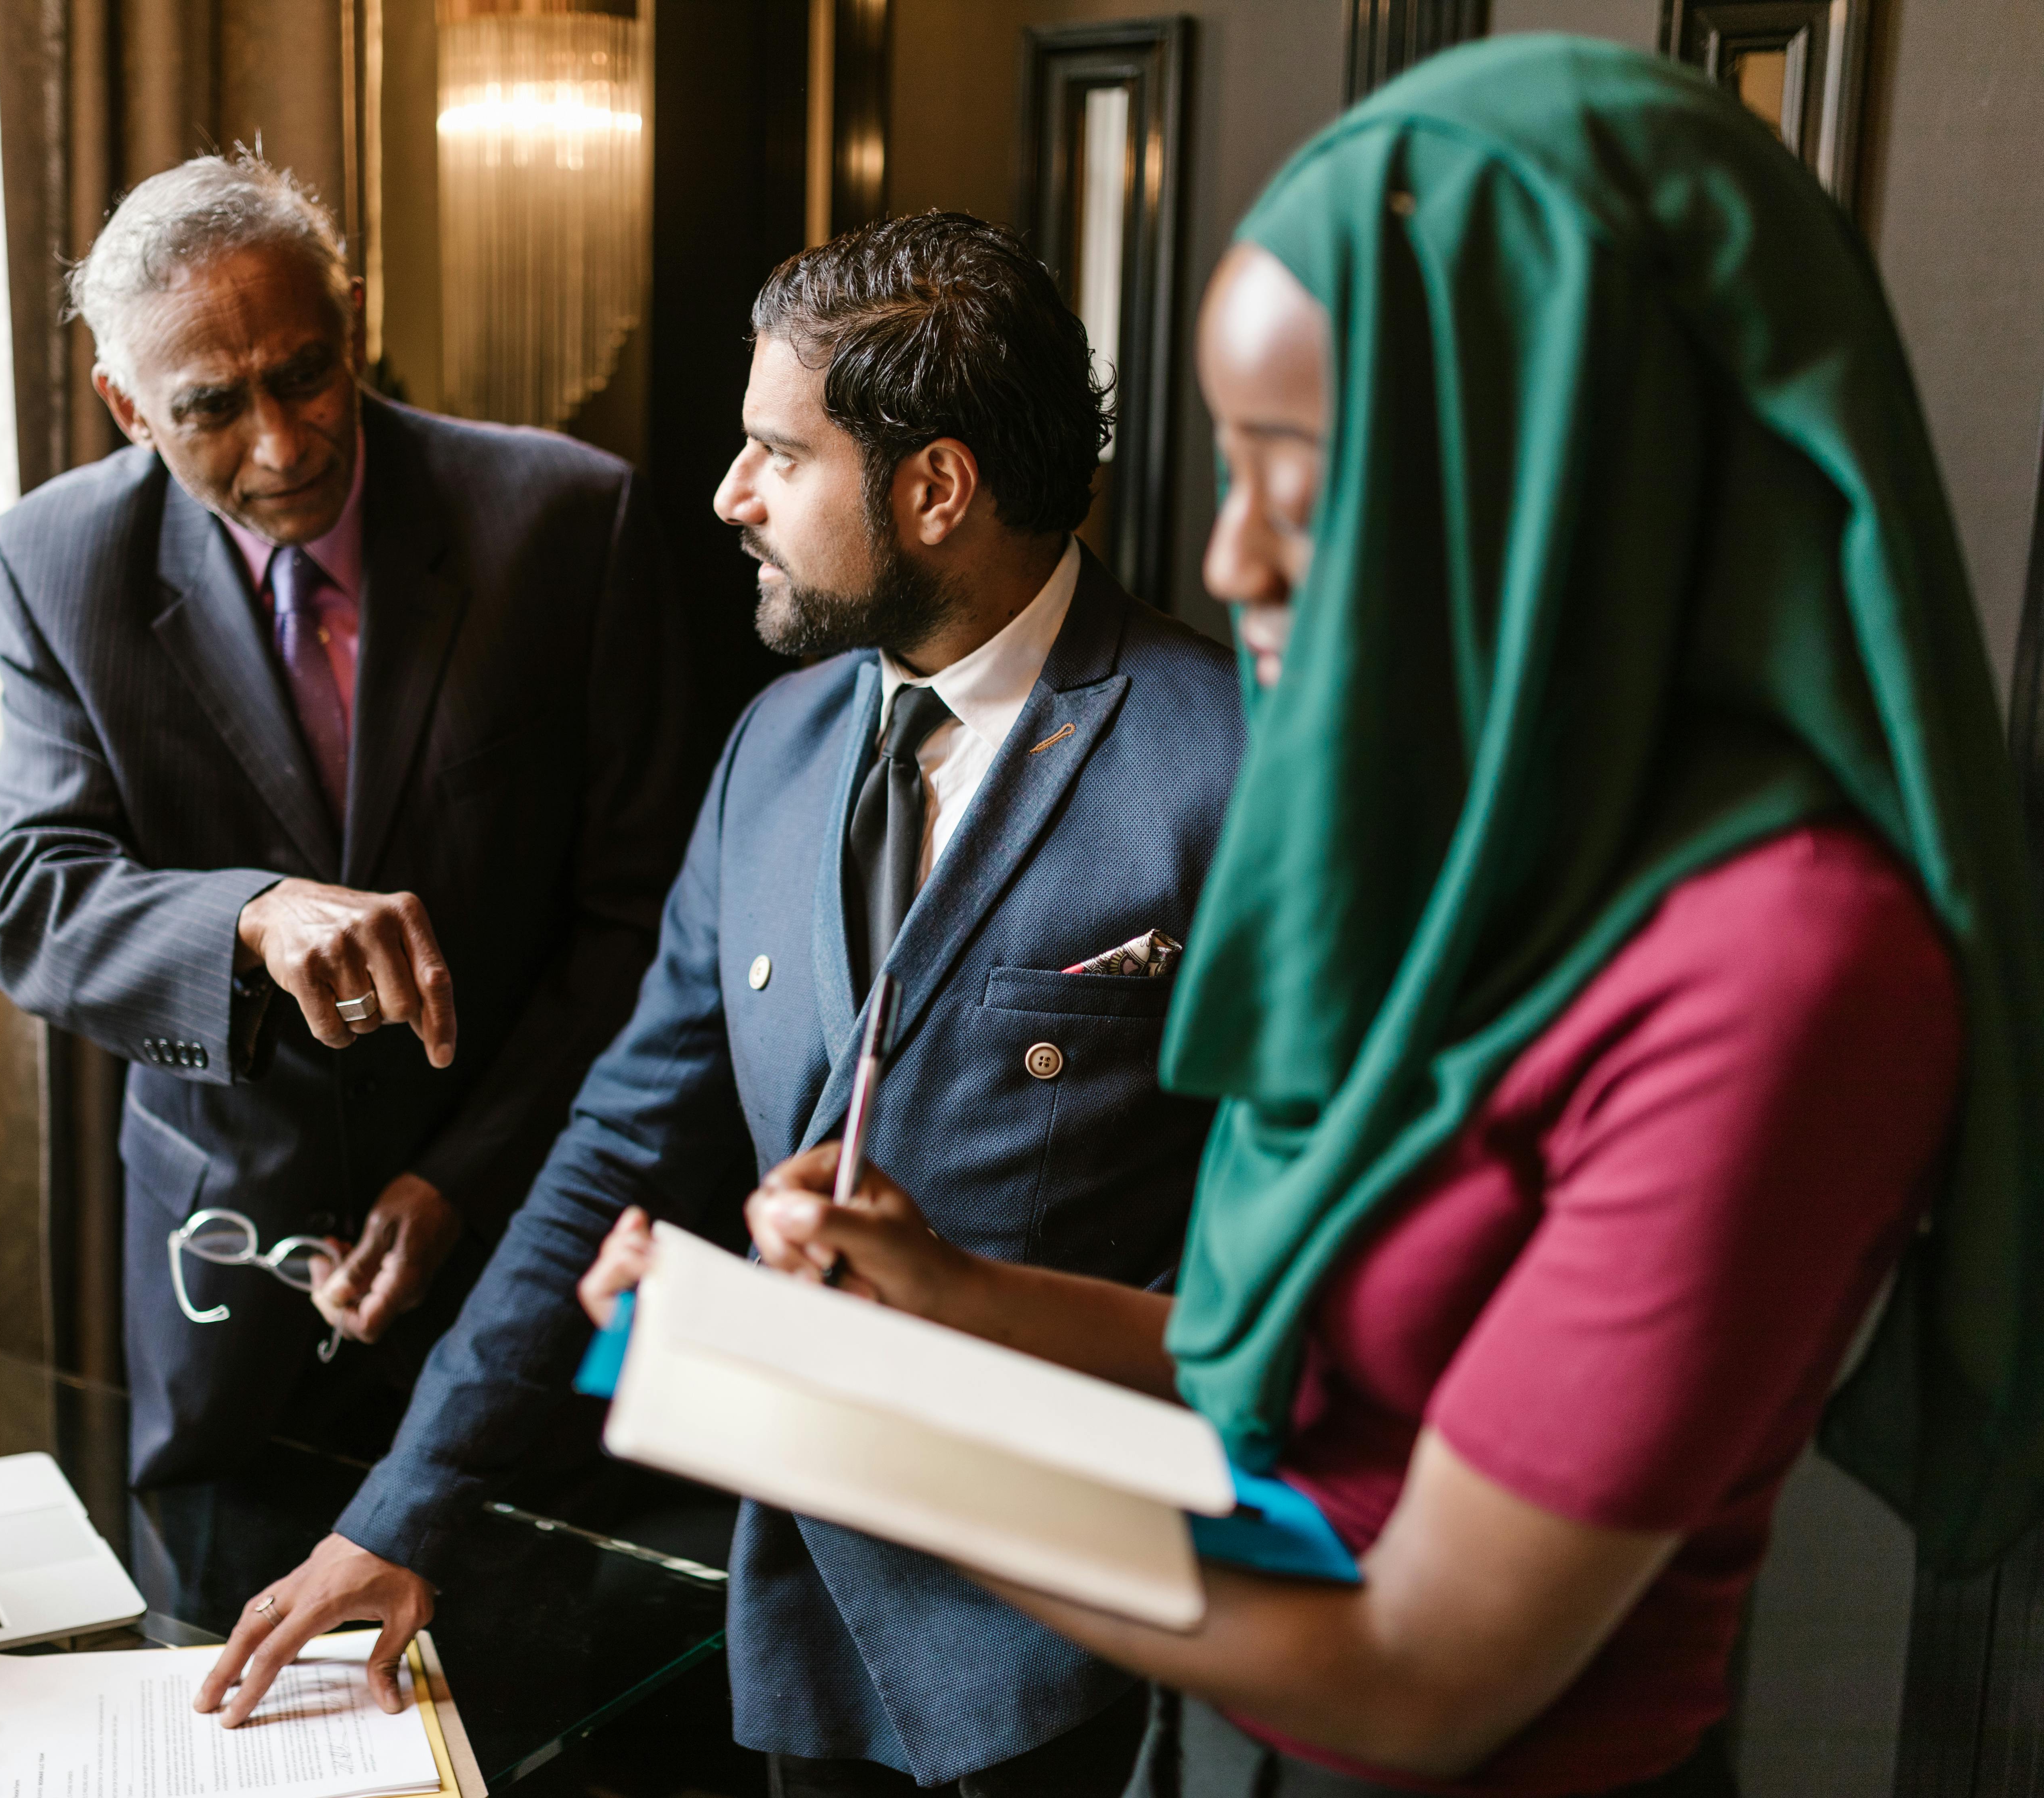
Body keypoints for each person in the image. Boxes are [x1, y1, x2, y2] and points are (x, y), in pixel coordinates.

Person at [730, 37, 2044, 1798]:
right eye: (1229, 462)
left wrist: (827, 1422)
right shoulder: (1473, 836)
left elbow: (1416, 1671)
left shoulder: (1794, 964)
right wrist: (946, 1285)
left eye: (1307, 471)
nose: (1231, 557)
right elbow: (1284, 1352)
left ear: (1557, 459)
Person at [190, 213, 1246, 1792]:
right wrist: (405, 1510)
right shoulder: (773, 748)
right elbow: (615, 1146)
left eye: (776, 454)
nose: (729, 495)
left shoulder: (1235, 768)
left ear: (935, 489)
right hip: (801, 1645)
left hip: (1100, 1664)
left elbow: (1279, 1299)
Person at [0, 151, 706, 1493]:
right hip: (222, 1258)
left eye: (305, 373)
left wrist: (466, 1180)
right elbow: (30, 892)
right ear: (128, 408)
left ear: (351, 322)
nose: (285, 446)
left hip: (521, 1223)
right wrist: (247, 917)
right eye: (211, 409)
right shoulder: (52, 562)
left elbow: (641, 915)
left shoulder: (566, 523)